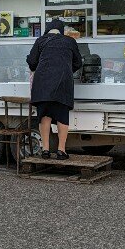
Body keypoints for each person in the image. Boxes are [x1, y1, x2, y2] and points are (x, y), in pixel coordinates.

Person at [26, 18, 82, 159]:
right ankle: (61, 151)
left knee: (44, 116)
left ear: (48, 29)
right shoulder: (70, 41)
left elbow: (32, 62)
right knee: (62, 115)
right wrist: (67, 69)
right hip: (63, 83)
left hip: (42, 83)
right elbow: (78, 63)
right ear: (61, 31)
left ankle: (45, 150)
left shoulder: (41, 40)